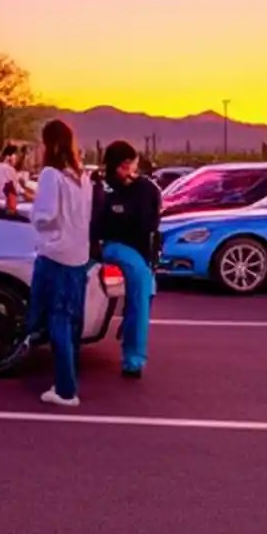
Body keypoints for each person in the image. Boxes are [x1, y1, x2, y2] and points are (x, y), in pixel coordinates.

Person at [26, 119, 93, 406]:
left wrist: (33, 215)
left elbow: (46, 215)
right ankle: (67, 380)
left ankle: (66, 390)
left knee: (54, 319)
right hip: (79, 255)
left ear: (49, 144)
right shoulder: (82, 176)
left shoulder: (51, 175)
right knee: (71, 321)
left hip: (56, 254)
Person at [93, 140, 162, 378]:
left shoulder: (145, 188)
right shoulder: (101, 187)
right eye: (124, 164)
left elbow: (150, 223)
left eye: (130, 164)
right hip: (113, 245)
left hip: (142, 249)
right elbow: (98, 223)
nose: (128, 169)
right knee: (141, 279)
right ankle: (133, 359)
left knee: (147, 289)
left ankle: (130, 327)